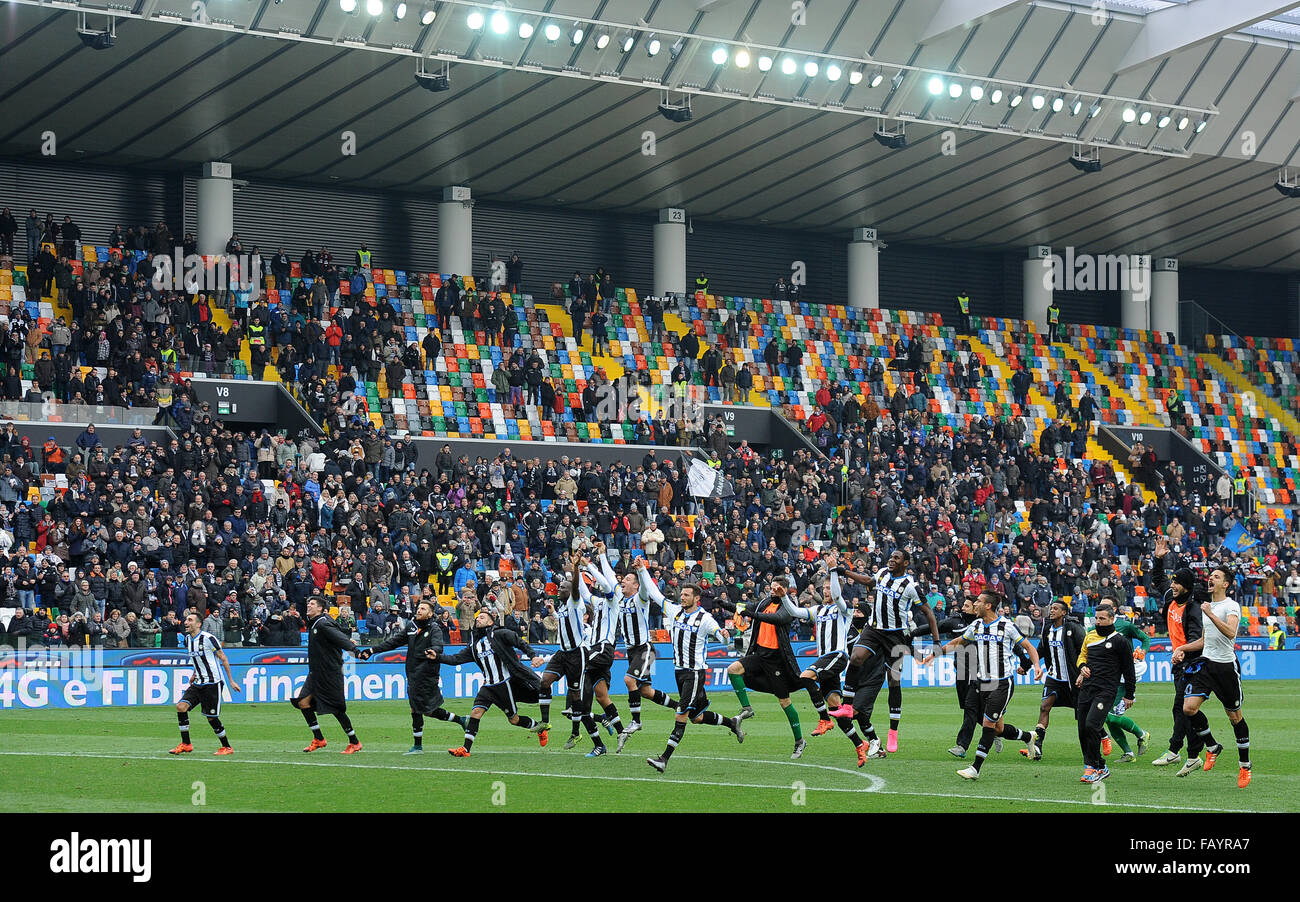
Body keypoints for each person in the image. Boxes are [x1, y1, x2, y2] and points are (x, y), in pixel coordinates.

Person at [920, 590, 1042, 780]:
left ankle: (975, 768)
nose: (974, 604)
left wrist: (1035, 665)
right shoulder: (976, 625)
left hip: (1001, 684)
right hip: (981, 682)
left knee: (987, 724)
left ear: (988, 606)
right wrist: (936, 653)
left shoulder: (1006, 626)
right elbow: (959, 641)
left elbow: (1029, 647)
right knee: (998, 729)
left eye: (978, 601)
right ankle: (1028, 737)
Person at [831, 549, 939, 756]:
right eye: (891, 557)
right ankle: (847, 705)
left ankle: (893, 731)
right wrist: (846, 572)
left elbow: (929, 613)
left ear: (905, 563)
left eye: (896, 558)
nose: (891, 560)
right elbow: (867, 581)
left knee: (894, 681)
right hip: (874, 629)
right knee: (856, 657)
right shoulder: (881, 573)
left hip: (895, 636)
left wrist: (935, 642)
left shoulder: (911, 586)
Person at [645, 581, 745, 774]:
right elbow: (655, 594)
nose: (682, 597)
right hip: (679, 672)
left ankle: (664, 759)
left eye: (686, 595)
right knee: (697, 717)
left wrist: (724, 635)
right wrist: (641, 571)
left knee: (681, 714)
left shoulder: (705, 618)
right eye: (681, 594)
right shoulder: (675, 611)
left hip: (694, 673)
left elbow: (722, 638)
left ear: (696, 599)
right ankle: (732, 722)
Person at [780, 552, 868, 765]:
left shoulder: (844, 609)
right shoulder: (818, 610)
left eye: (829, 588)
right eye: (824, 588)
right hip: (826, 658)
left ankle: (823, 719)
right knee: (837, 709)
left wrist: (833, 571)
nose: (826, 590)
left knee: (806, 676)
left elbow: (838, 596)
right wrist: (783, 595)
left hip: (836, 655)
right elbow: (794, 611)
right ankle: (860, 744)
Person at [435, 605, 548, 757]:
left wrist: (533, 655)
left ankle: (539, 728)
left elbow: (519, 642)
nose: (478, 619)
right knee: (476, 712)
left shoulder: (500, 634)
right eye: (477, 618)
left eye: (482, 617)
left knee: (514, 720)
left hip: (504, 684)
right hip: (488, 685)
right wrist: (437, 657)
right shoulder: (474, 645)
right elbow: (455, 659)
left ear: (490, 622)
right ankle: (466, 749)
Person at [1177, 564, 1253, 788]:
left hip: (1225, 668)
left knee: (1235, 718)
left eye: (1216, 577)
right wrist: (1182, 649)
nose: (1211, 579)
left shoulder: (1231, 606)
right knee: (1188, 708)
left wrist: (1209, 613)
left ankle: (1245, 766)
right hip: (1206, 665)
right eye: (1210, 576)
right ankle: (1212, 746)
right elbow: (1204, 640)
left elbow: (1231, 633)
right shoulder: (1206, 606)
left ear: (1225, 584)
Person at [358, 599, 468, 753]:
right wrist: (372, 651)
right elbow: (393, 642)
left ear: (430, 613)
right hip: (413, 672)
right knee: (425, 709)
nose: (419, 610)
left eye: (423, 608)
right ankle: (461, 720)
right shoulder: (411, 626)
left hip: (427, 673)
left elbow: (438, 646)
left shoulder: (434, 628)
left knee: (416, 708)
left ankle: (418, 746)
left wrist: (434, 651)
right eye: (418, 608)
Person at [1149, 535, 1219, 769]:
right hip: (1181, 663)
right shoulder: (1172, 598)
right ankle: (1193, 754)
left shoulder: (1194, 608)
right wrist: (1158, 560)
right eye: (1173, 581)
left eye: (1176, 582)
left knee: (1181, 707)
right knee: (1186, 710)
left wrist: (1181, 651)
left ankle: (1175, 750)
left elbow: (1200, 641)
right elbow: (1158, 579)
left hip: (1194, 664)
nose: (1172, 585)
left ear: (1187, 587)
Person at [726, 573, 807, 759]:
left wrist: (752, 614)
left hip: (776, 660)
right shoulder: (764, 603)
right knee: (733, 670)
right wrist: (727, 606)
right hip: (760, 655)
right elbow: (745, 608)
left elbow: (777, 619)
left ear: (783, 590)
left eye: (775, 588)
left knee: (784, 702)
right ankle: (747, 708)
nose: (771, 590)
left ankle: (799, 741)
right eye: (771, 587)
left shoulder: (788, 607)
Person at [612, 556, 683, 752]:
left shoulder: (639, 598)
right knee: (645, 691)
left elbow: (646, 588)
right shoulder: (621, 600)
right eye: (623, 579)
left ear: (635, 586)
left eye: (627, 579)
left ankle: (636, 721)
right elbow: (609, 579)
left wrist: (642, 570)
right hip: (632, 651)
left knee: (629, 680)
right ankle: (679, 706)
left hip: (645, 648)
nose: (623, 581)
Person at [535, 551, 597, 752]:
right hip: (561, 652)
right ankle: (545, 722)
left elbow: (576, 586)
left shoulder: (575, 602)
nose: (558, 589)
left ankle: (575, 732)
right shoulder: (562, 607)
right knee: (544, 681)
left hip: (576, 654)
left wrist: (576, 567)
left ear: (571, 591)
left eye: (562, 587)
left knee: (575, 694)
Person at [1073, 602, 1137, 784]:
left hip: (1106, 691)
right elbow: (1082, 656)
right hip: (1087, 689)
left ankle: (1094, 767)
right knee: (1082, 729)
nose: (1099, 622)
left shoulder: (1120, 641)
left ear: (1112, 619)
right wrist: (1082, 667)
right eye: (1097, 618)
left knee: (1092, 725)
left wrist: (1129, 695)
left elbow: (1128, 669)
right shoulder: (1090, 635)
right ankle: (1099, 766)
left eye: (1102, 619)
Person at [292, 595, 363, 754]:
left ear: (320, 609)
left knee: (336, 708)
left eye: (312, 604)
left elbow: (340, 639)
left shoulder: (322, 624)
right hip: (316, 673)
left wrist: (356, 652)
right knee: (303, 702)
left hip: (329, 672)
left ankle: (354, 741)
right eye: (308, 603)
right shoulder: (317, 623)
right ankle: (319, 739)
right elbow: (340, 632)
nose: (308, 606)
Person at [1020, 599, 1084, 761]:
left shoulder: (1074, 629)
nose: (1052, 611)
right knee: (1044, 707)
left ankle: (1103, 737)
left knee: (1084, 714)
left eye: (1056, 609)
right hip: (1054, 677)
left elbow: (1085, 651)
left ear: (1064, 612)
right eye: (1051, 608)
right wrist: (1027, 666)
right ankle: (1037, 747)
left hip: (1073, 680)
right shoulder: (1048, 629)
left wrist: (1083, 672)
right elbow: (1041, 650)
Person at [169, 612, 238, 756]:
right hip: (198, 683)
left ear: (198, 624)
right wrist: (194, 674)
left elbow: (223, 659)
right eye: (186, 619)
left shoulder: (208, 639)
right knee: (181, 707)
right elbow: (197, 659)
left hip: (212, 683)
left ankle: (227, 747)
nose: (186, 622)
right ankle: (186, 744)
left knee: (211, 717)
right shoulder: (188, 640)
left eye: (190, 620)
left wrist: (231, 680)